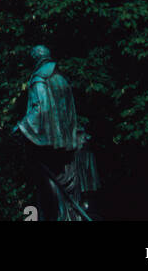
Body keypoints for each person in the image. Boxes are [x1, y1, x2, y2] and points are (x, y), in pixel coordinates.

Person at [12, 44, 97, 221]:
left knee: (52, 194)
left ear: (35, 59)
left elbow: (40, 109)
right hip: (69, 144)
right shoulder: (61, 78)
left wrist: (21, 128)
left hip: (51, 147)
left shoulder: (39, 80)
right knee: (69, 195)